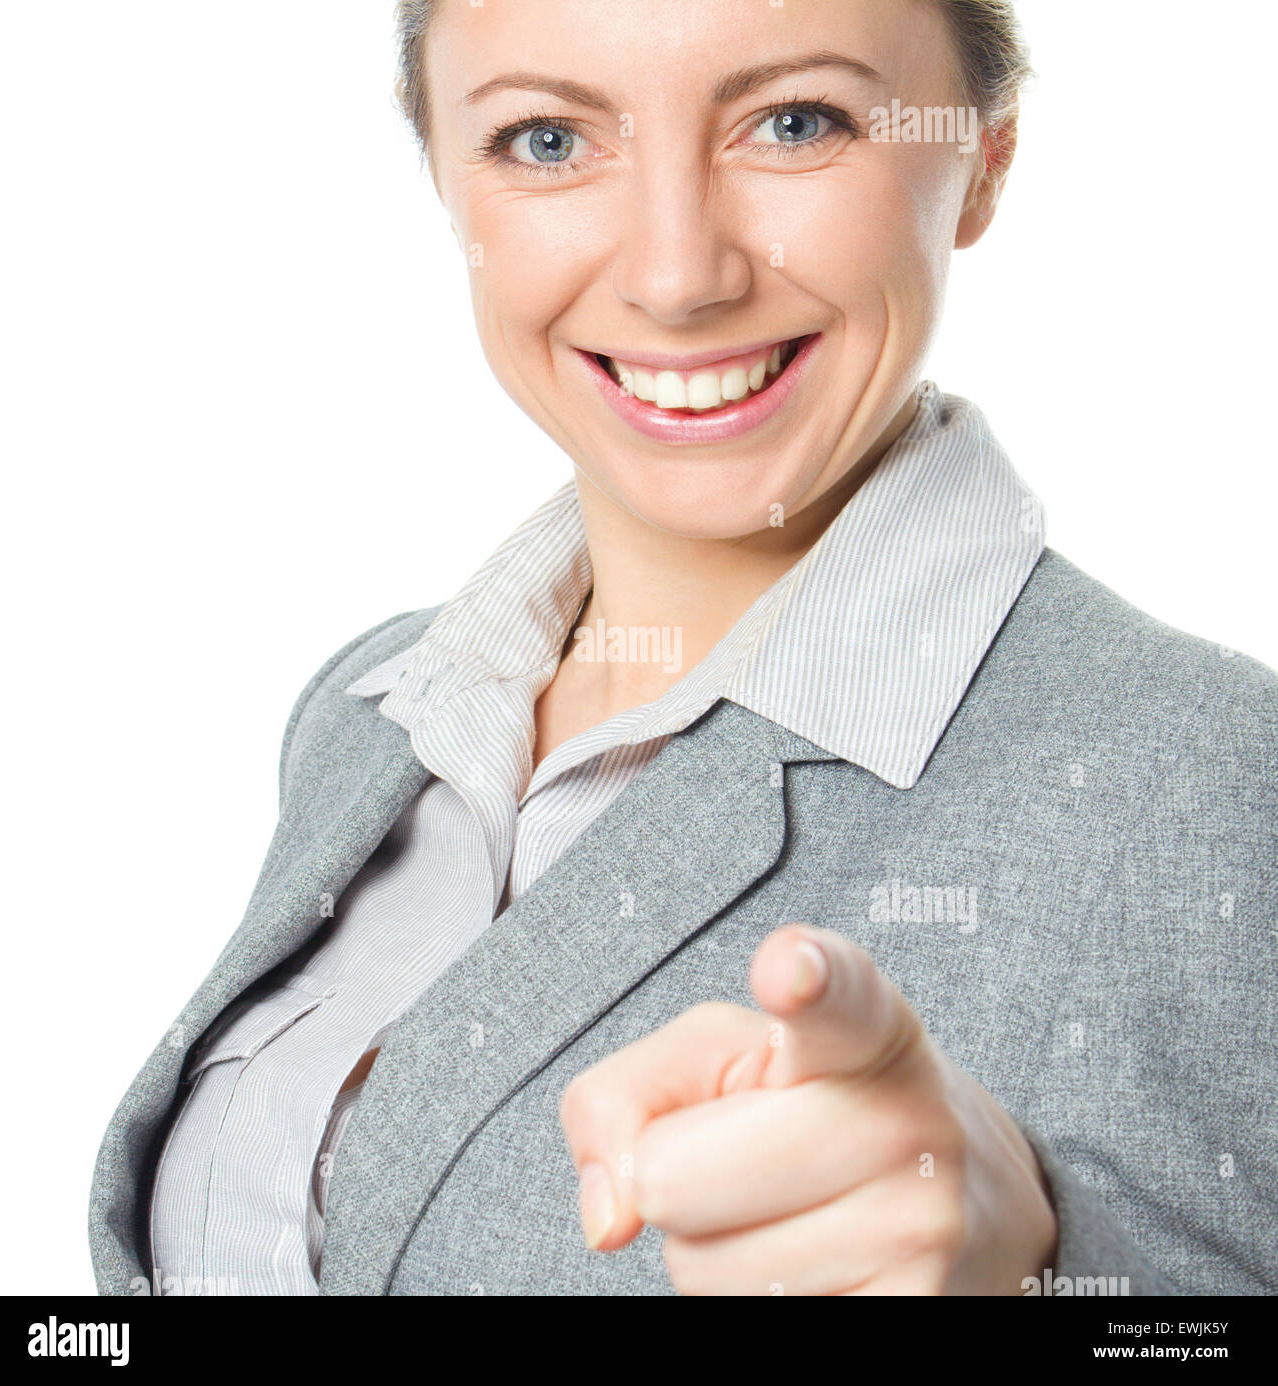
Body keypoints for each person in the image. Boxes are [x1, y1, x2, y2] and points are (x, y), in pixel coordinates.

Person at [89, 0, 1277, 1296]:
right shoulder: (379, 708)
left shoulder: (1201, 781)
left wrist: (1031, 1287)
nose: (676, 272)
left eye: (794, 122)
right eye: (546, 139)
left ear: (983, 154)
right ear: (441, 167)